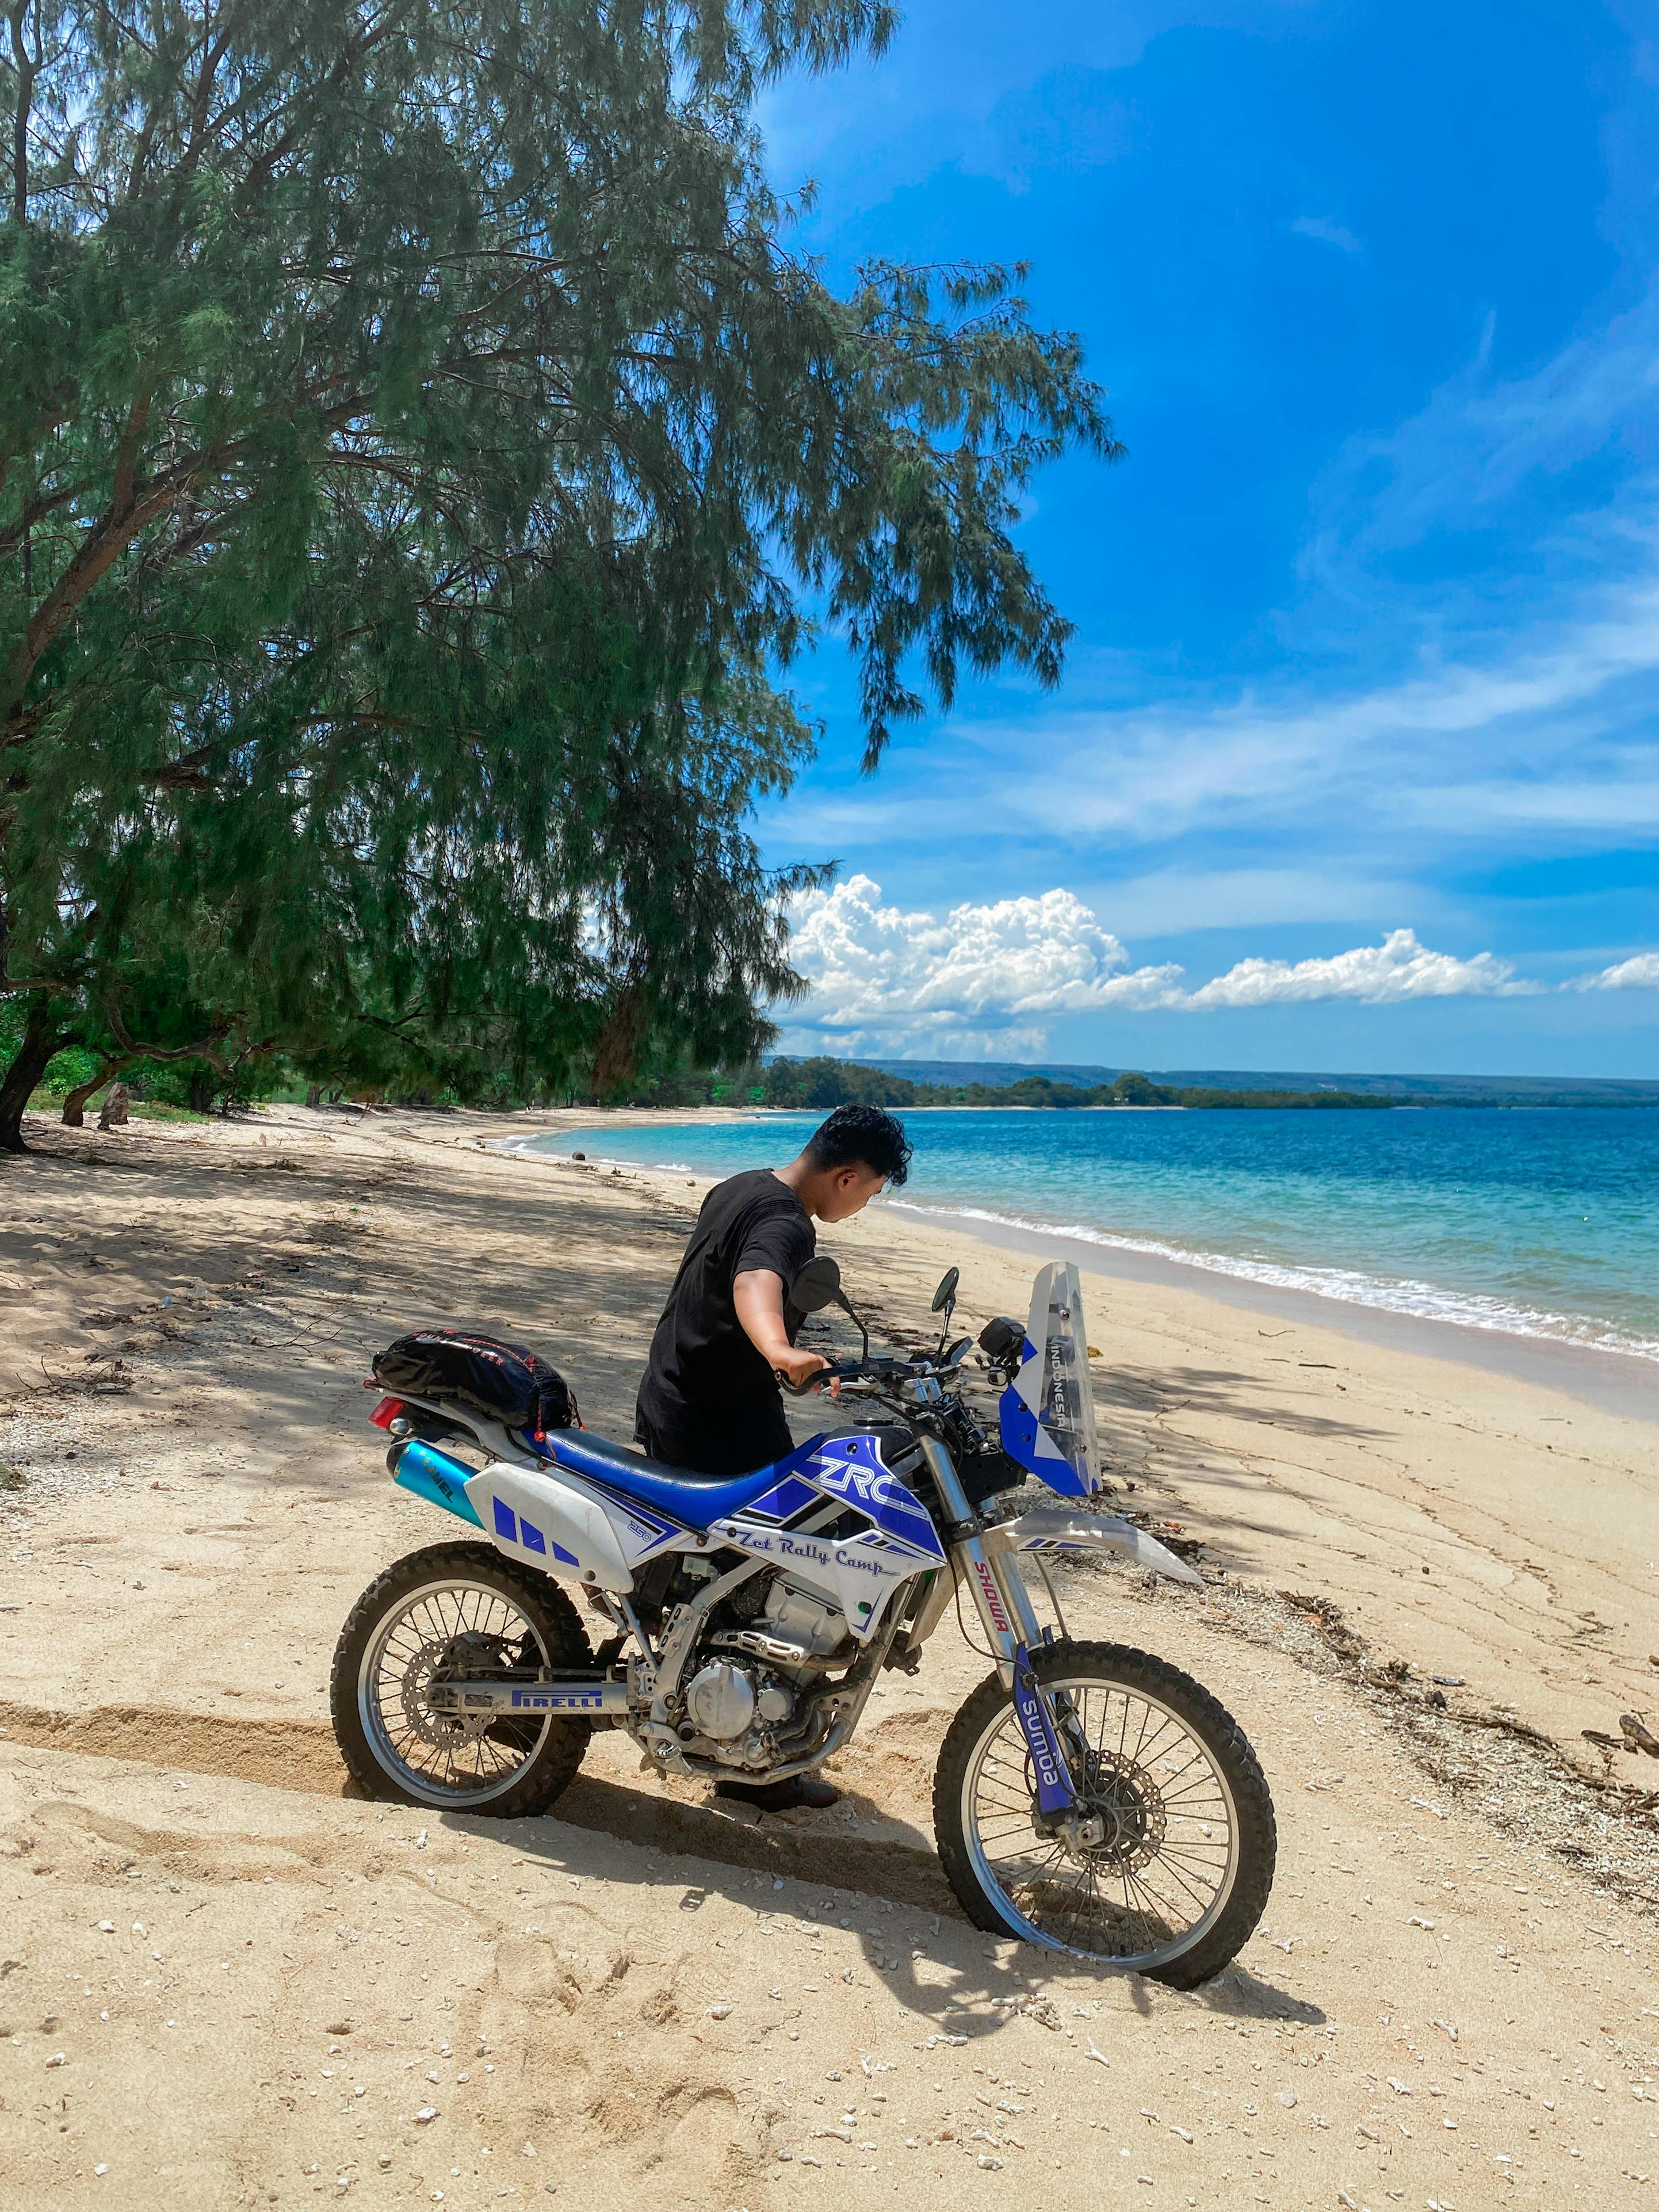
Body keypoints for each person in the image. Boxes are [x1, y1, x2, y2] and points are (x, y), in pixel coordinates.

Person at [634, 1102, 913, 1812]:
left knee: (744, 1570)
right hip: (713, 1421)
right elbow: (754, 1282)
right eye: (871, 1193)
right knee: (787, 1567)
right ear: (846, 1177)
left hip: (685, 1397)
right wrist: (781, 1349)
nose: (863, 1206)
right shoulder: (786, 1222)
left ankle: (735, 1734)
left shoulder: (740, 1184)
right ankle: (748, 1753)